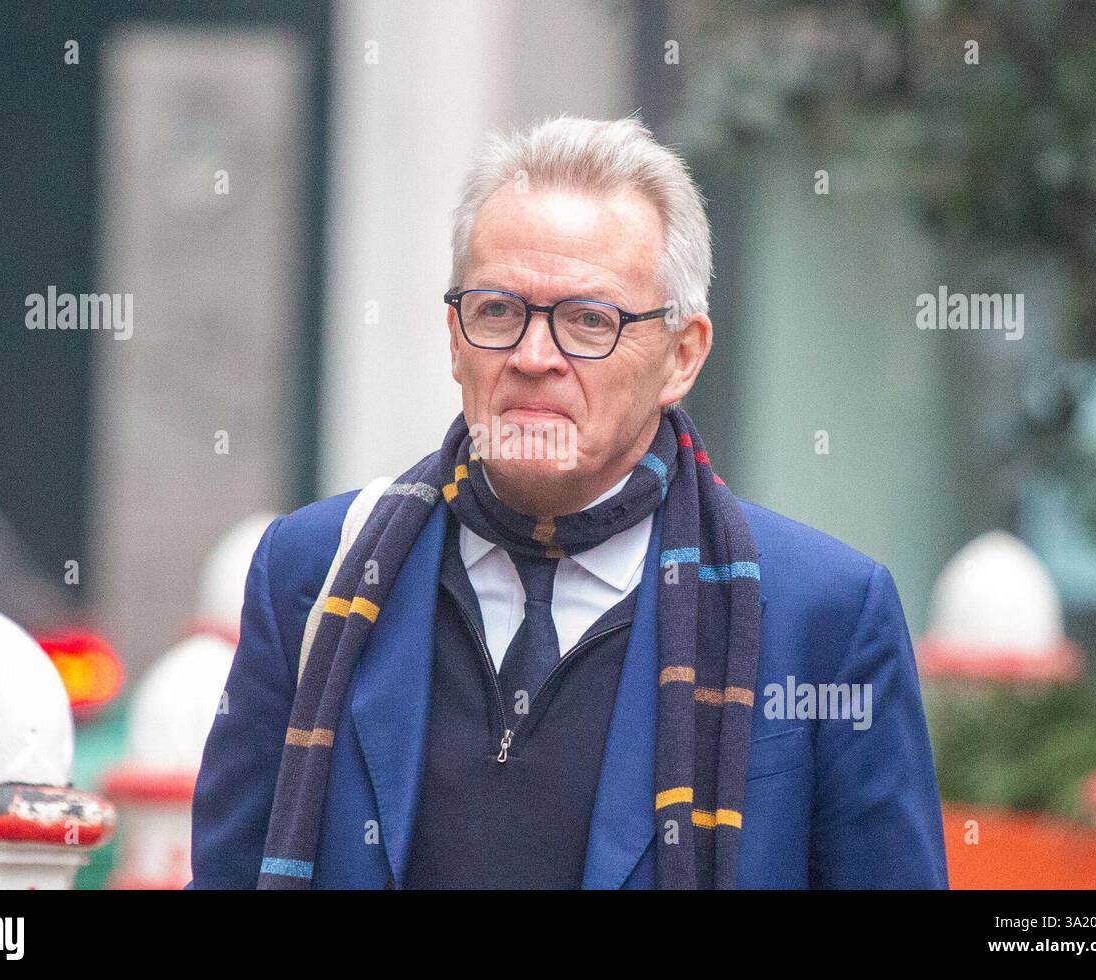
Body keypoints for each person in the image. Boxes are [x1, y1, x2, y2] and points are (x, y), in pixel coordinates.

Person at [188, 115, 948, 889]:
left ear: (682, 356)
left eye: (590, 320)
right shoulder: (315, 572)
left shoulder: (822, 616)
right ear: (455, 337)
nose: (533, 357)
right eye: (498, 311)